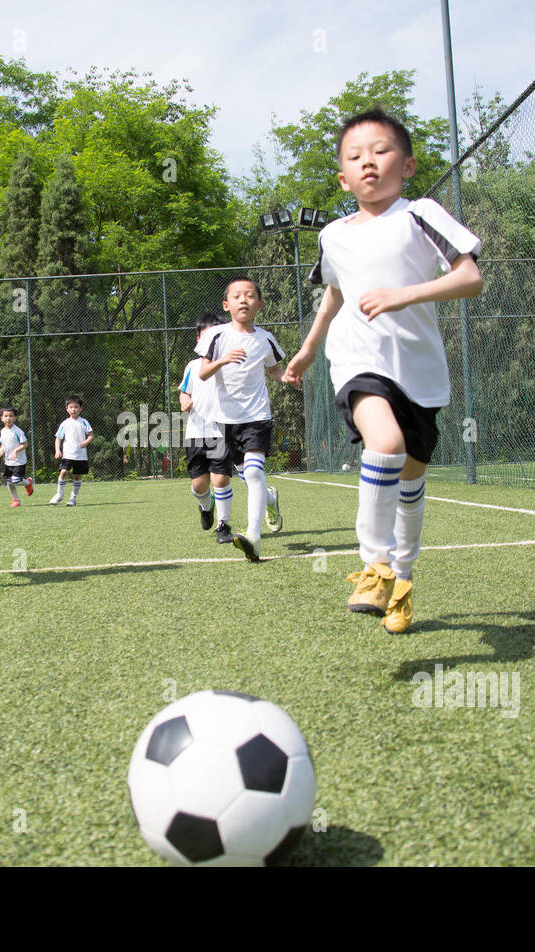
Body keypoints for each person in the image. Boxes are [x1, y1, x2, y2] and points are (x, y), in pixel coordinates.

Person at [284, 107, 483, 632]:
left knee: (411, 481)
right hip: (357, 360)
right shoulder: (332, 235)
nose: (368, 162)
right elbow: (335, 293)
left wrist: (403, 296)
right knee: (385, 445)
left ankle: (401, 579)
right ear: (342, 176)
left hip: (418, 370)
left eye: (381, 151)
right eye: (355, 156)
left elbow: (470, 278)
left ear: (408, 164)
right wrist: (307, 349)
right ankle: (373, 565)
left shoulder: (421, 215)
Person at [195, 277, 285, 562]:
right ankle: (270, 499)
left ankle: (253, 537)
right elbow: (203, 373)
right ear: (227, 305)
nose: (243, 300)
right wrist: (223, 360)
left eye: (249, 295)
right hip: (224, 420)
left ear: (259, 304)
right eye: (236, 296)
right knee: (243, 476)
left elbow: (274, 371)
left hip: (257, 416)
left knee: (255, 472)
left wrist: (290, 377)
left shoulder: (266, 339)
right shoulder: (216, 336)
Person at [179, 313, 228, 530]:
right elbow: (183, 392)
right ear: (198, 340)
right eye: (205, 336)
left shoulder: (229, 364)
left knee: (220, 480)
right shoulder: (192, 366)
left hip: (221, 431)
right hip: (196, 432)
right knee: (199, 485)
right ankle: (206, 507)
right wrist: (184, 400)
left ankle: (223, 525)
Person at [52, 397, 93, 506]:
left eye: (76, 407)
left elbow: (91, 435)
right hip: (68, 454)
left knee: (77, 476)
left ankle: (73, 499)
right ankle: (59, 495)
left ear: (81, 408)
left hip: (80, 456)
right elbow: (58, 438)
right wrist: (57, 450)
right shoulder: (65, 423)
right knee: (63, 472)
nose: (73, 409)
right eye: (71, 407)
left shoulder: (84, 422)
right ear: (67, 409)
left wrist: (86, 442)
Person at [0, 406, 32, 507]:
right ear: (2, 418)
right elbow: (3, 445)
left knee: (16, 481)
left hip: (19, 461)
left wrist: (15, 451)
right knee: (9, 482)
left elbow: (25, 444)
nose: (8, 418)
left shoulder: (18, 431)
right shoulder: (3, 431)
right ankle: (16, 500)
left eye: (11, 416)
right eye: (6, 416)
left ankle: (28, 482)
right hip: (8, 462)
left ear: (15, 418)